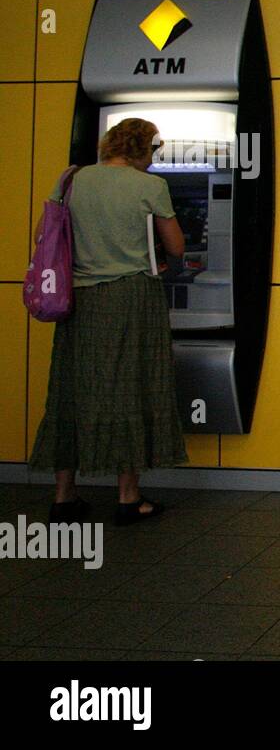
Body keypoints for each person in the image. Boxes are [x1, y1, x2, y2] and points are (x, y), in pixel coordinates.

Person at [29, 118, 189, 526]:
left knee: (70, 390)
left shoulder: (73, 179)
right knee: (132, 388)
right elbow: (177, 245)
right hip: (132, 298)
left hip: (79, 300)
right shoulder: (149, 186)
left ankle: (64, 498)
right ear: (144, 149)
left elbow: (42, 235)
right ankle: (128, 498)